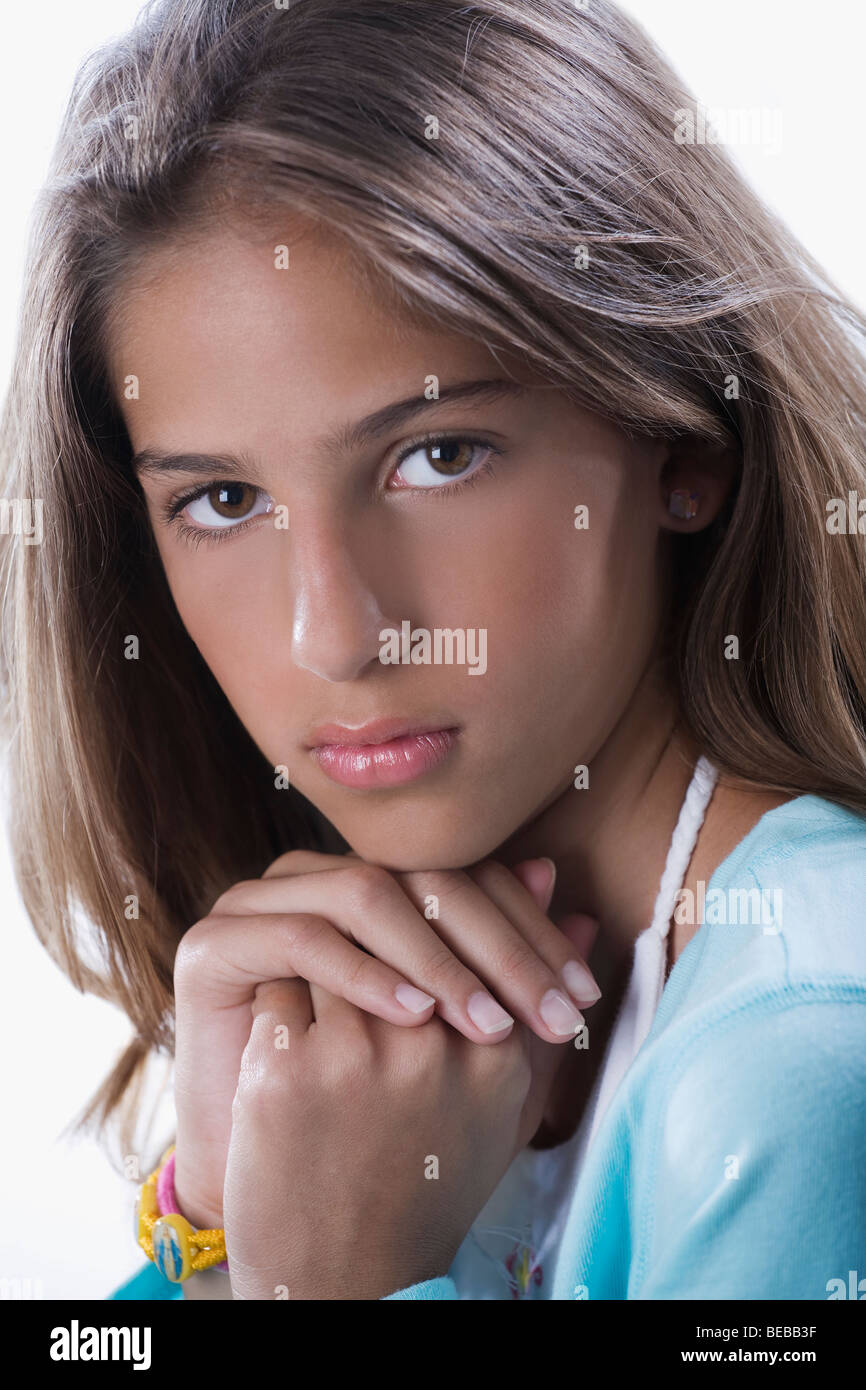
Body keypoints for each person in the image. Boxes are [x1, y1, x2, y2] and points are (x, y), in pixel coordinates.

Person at [2, 0, 865, 1301]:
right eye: (223, 500)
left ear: (682, 443)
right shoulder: (357, 1034)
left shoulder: (797, 1057)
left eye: (434, 456)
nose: (332, 633)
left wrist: (339, 1285)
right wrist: (217, 1219)